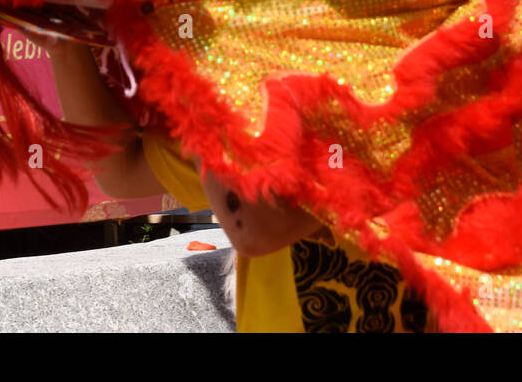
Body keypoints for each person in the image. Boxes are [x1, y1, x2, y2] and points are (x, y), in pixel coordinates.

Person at [36, 37, 431, 332]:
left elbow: (256, 227)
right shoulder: (259, 90)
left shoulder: (416, 81)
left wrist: (196, 68)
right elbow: (123, 171)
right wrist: (64, 45)